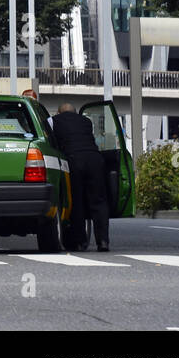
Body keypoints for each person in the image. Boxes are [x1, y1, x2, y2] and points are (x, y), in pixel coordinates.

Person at [52, 102, 111, 251]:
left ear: (59, 113)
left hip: (73, 160)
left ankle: (80, 241)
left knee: (76, 200)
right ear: (76, 112)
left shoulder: (54, 121)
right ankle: (103, 241)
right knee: (99, 201)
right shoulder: (86, 121)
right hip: (94, 160)